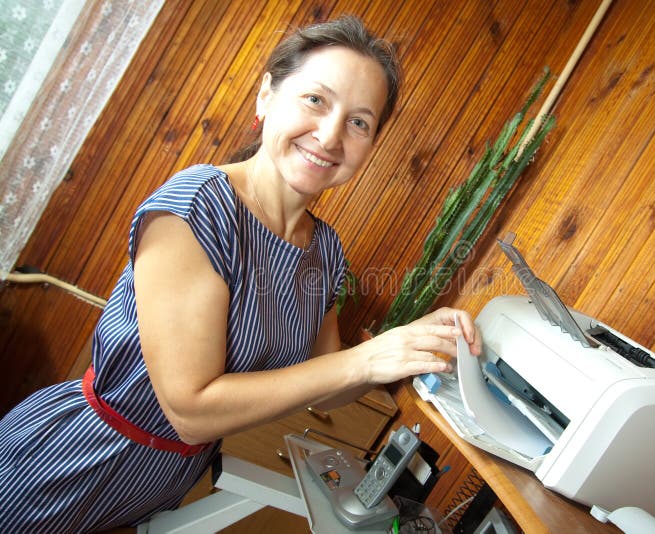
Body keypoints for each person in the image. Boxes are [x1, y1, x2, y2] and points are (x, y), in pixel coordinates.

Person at [0, 15, 481, 532]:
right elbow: (191, 412)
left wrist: (406, 351)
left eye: (359, 123)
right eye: (315, 100)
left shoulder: (325, 251)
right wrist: (364, 359)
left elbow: (325, 382)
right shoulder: (199, 206)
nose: (330, 135)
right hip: (68, 464)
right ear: (266, 96)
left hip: (157, 486)